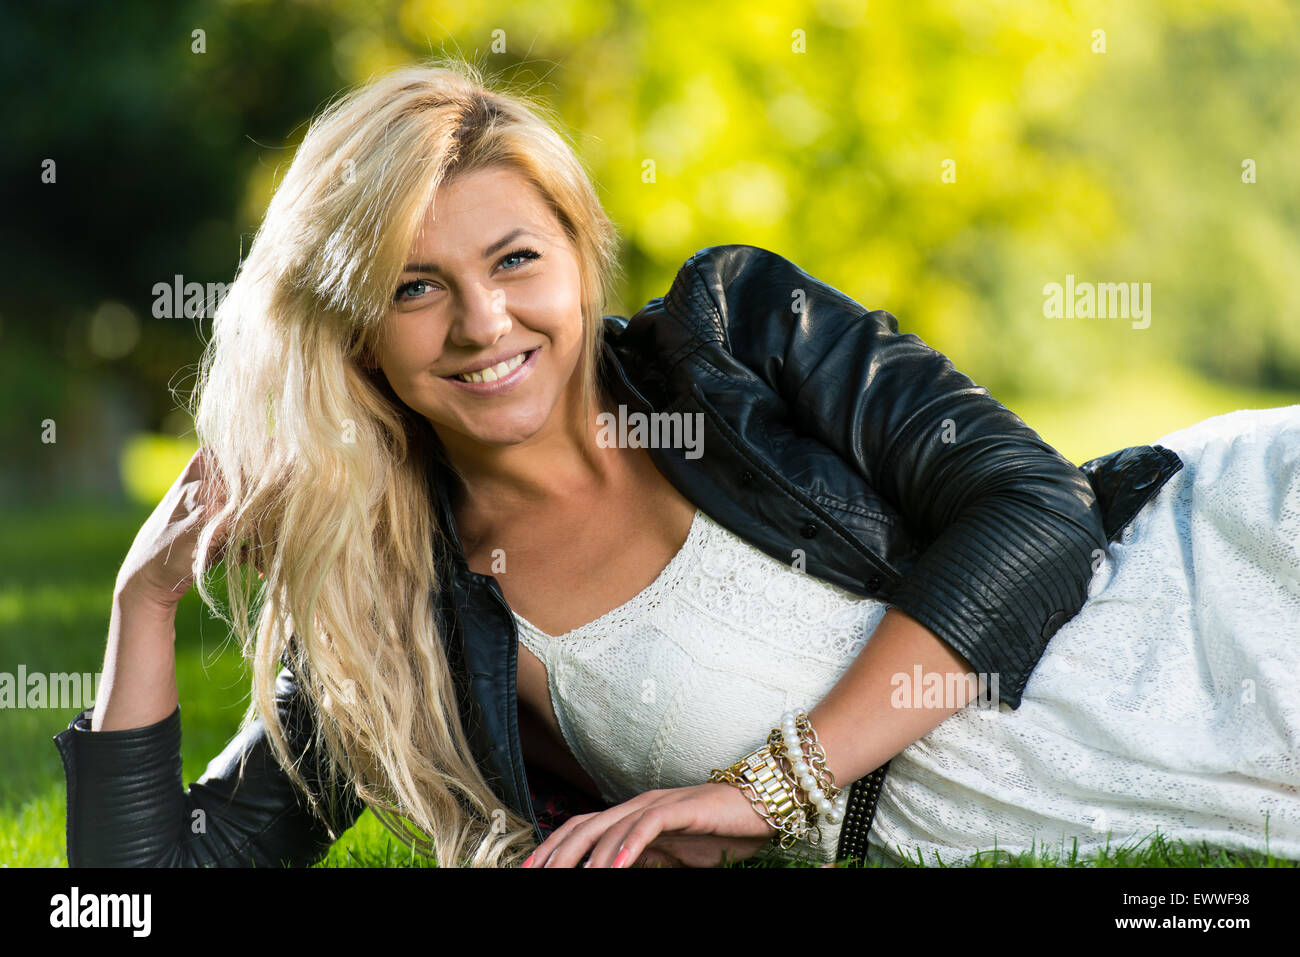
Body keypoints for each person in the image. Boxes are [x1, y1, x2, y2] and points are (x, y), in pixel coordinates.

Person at [54, 59, 1300, 869]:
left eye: (516, 261)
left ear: (579, 254)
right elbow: (142, 894)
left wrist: (771, 788)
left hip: (1214, 573)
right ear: (354, 337)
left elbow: (1037, 512)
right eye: (414, 288)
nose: (485, 324)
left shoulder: (730, 332)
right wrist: (142, 604)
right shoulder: (392, 615)